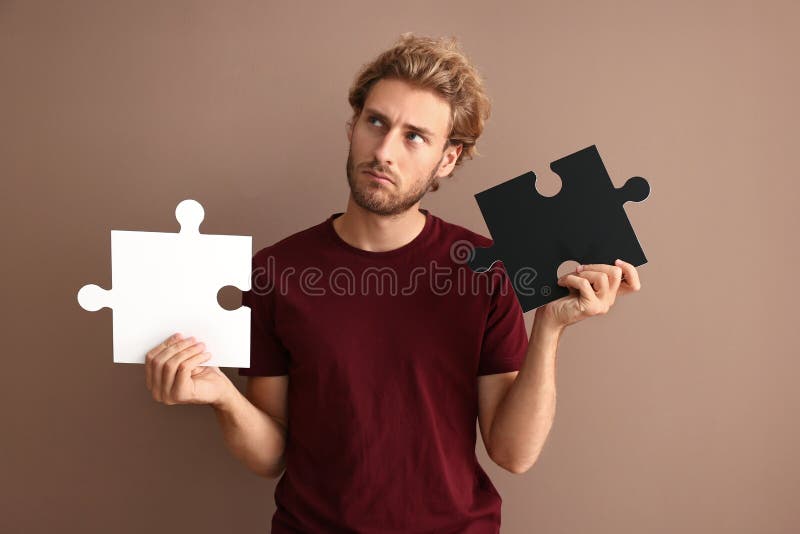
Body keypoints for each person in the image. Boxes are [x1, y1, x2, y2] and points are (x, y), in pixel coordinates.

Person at [144, 33, 641, 533]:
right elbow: (271, 454)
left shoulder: (486, 269)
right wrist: (223, 397)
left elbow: (513, 453)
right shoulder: (275, 270)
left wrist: (550, 330)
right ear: (353, 126)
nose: (384, 151)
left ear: (448, 158)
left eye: (415, 136)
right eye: (376, 122)